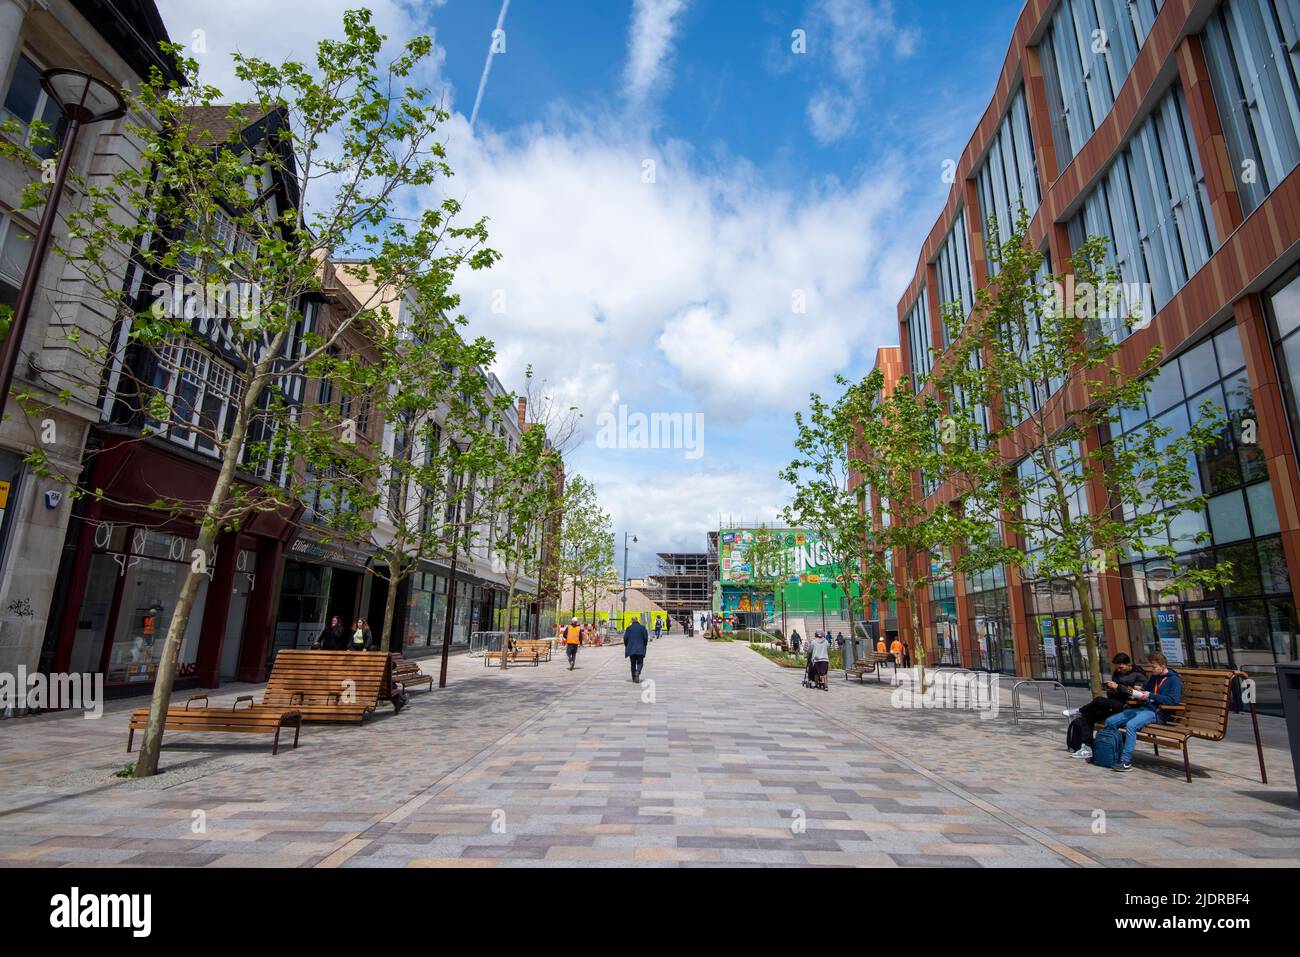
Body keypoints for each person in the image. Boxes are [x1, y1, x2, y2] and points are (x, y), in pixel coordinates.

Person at [1098, 651, 1182, 772]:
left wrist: (1151, 695)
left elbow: (1173, 701)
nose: (1151, 670)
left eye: (1154, 667)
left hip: (1158, 712)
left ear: (1163, 666)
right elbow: (1146, 692)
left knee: (1131, 725)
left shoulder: (1173, 680)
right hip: (1143, 708)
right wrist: (1139, 692)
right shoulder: (1154, 677)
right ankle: (1110, 753)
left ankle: (1126, 761)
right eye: (1151, 667)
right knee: (1111, 721)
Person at [1063, 652, 1144, 757]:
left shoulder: (1139, 675)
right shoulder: (1117, 673)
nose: (1119, 670)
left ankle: (1079, 710)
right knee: (1087, 717)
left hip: (1127, 706)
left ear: (1129, 664)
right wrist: (1110, 689)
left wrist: (1118, 687)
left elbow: (1138, 694)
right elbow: (1114, 691)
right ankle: (1088, 747)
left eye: (1121, 667)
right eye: (1117, 668)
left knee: (1099, 700)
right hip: (1114, 704)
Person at [624, 617, 649, 682]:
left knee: (633, 663)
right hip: (640, 648)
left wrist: (627, 645)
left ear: (632, 621)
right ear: (637, 620)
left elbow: (625, 638)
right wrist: (644, 645)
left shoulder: (628, 628)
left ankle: (634, 678)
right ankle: (638, 671)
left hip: (631, 649)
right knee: (640, 662)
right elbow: (646, 638)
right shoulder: (642, 628)